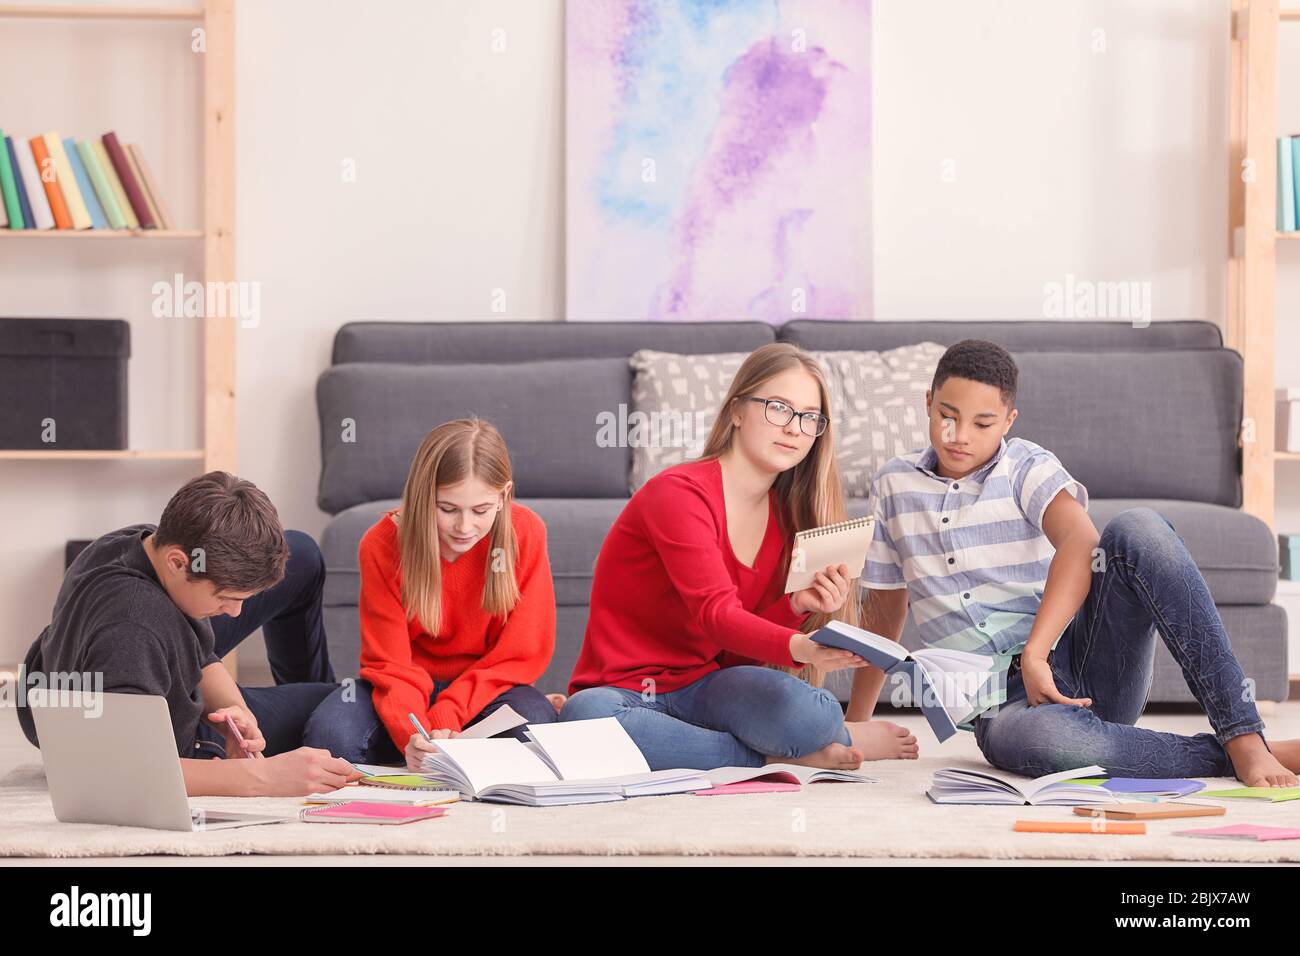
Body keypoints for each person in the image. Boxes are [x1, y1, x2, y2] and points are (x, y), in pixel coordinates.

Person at [850, 338, 1300, 787]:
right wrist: (855, 725)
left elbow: (1082, 541)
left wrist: (1036, 653)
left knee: (1138, 529)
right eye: (947, 417)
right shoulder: (894, 484)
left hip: (1083, 662)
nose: (961, 436)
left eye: (983, 423)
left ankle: (1242, 735)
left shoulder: (1025, 466)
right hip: (1002, 708)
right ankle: (1231, 755)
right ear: (927, 403)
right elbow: (885, 610)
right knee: (1038, 740)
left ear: (1008, 421)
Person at [562, 343, 919, 771]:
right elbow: (716, 614)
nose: (793, 428)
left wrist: (795, 607)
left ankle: (795, 737)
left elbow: (733, 654)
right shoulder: (678, 494)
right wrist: (801, 647)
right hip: (623, 693)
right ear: (736, 411)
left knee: (813, 712)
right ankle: (768, 755)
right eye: (778, 408)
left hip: (707, 688)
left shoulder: (787, 519)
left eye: (809, 417)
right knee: (584, 719)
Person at [17, 471, 360, 796]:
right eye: (226, 598)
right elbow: (119, 769)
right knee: (346, 703)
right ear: (179, 562)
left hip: (115, 673)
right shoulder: (132, 630)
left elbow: (198, 649)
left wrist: (236, 712)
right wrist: (267, 777)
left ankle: (291, 698)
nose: (235, 611)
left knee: (301, 553)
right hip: (170, 733)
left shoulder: (142, 543)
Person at [305, 419, 559, 769]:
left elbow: (519, 655)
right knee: (331, 736)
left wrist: (447, 715)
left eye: (480, 510)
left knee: (537, 726)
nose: (464, 527)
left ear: (503, 497)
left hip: (488, 689)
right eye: (448, 509)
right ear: (424, 496)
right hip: (404, 690)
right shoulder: (381, 545)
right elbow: (391, 665)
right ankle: (428, 753)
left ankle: (441, 750)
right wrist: (417, 734)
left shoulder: (526, 533)